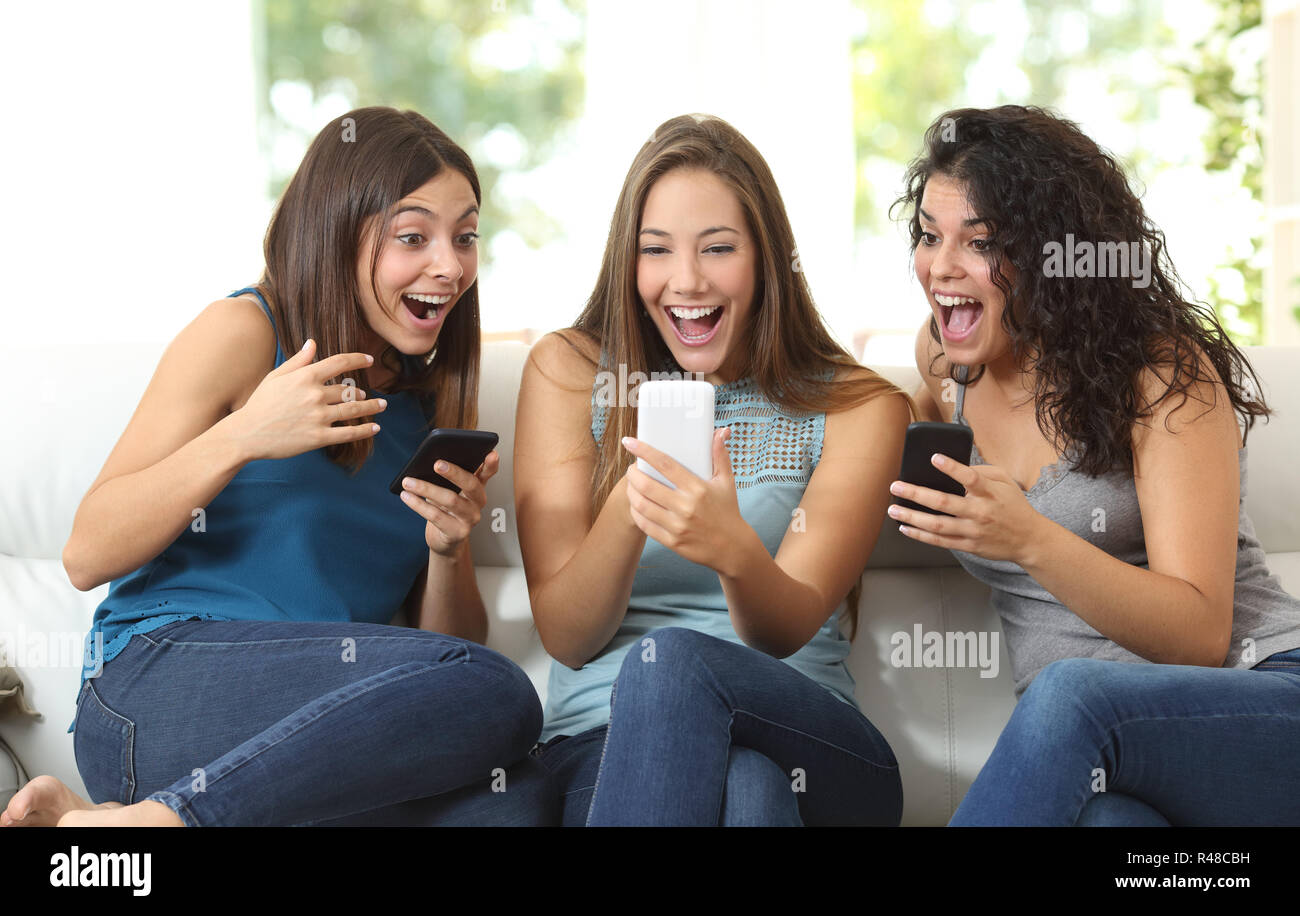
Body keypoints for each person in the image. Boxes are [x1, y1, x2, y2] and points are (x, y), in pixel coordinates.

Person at [2, 107, 553, 827]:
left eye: (466, 237)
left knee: (512, 800)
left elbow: (437, 669)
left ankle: (114, 821)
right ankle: (160, 824)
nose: (449, 265)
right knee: (503, 694)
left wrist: (448, 549)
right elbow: (86, 552)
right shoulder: (244, 332)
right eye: (413, 237)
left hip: (310, 738)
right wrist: (244, 435)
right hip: (159, 686)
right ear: (335, 233)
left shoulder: (422, 406)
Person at [891, 105, 1300, 826]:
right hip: (1104, 768)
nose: (941, 268)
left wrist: (1028, 538)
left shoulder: (1159, 375)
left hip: (1259, 702)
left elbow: (1201, 636)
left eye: (978, 242)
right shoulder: (949, 359)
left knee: (1070, 694)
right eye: (929, 236)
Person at [515, 113, 912, 826]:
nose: (686, 281)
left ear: (766, 257)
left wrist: (734, 550)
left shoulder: (860, 405)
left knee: (675, 664)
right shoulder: (570, 371)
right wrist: (630, 503)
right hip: (605, 748)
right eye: (656, 250)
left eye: (719, 248)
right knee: (751, 789)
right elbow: (568, 637)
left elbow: (783, 630)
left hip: (813, 739)